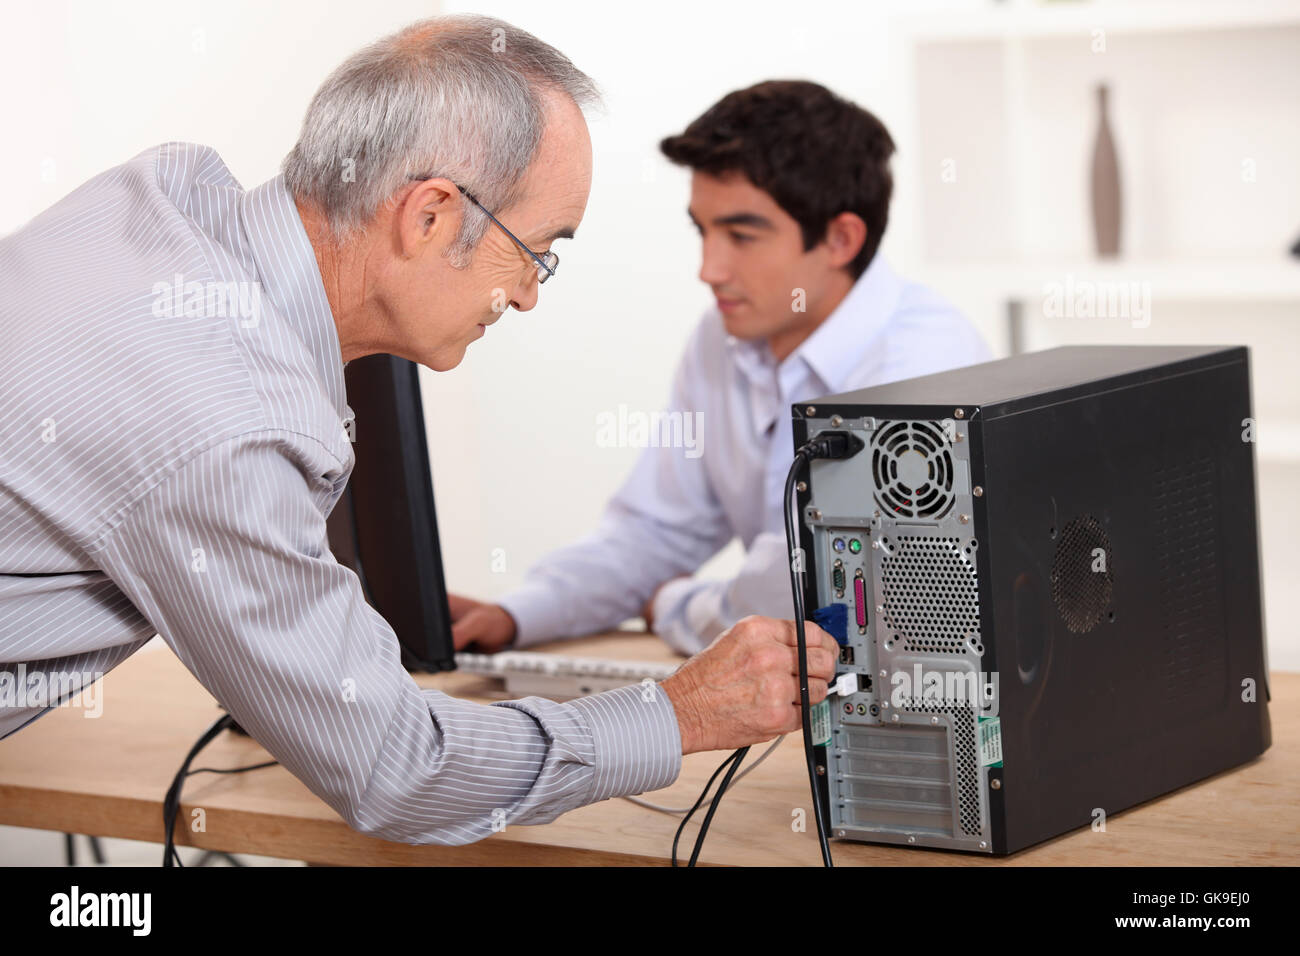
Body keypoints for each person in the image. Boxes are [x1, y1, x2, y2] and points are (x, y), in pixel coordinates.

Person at [0, 16, 837, 846]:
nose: (528, 297)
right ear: (429, 215)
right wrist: (675, 714)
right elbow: (399, 769)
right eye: (536, 253)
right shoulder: (227, 416)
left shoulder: (164, 196)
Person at [452, 80, 991, 657]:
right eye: (702, 231)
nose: (709, 269)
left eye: (740, 235)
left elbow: (815, 593)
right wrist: (514, 615)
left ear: (840, 238)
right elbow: (655, 532)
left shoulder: (927, 364)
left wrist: (674, 606)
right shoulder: (723, 339)